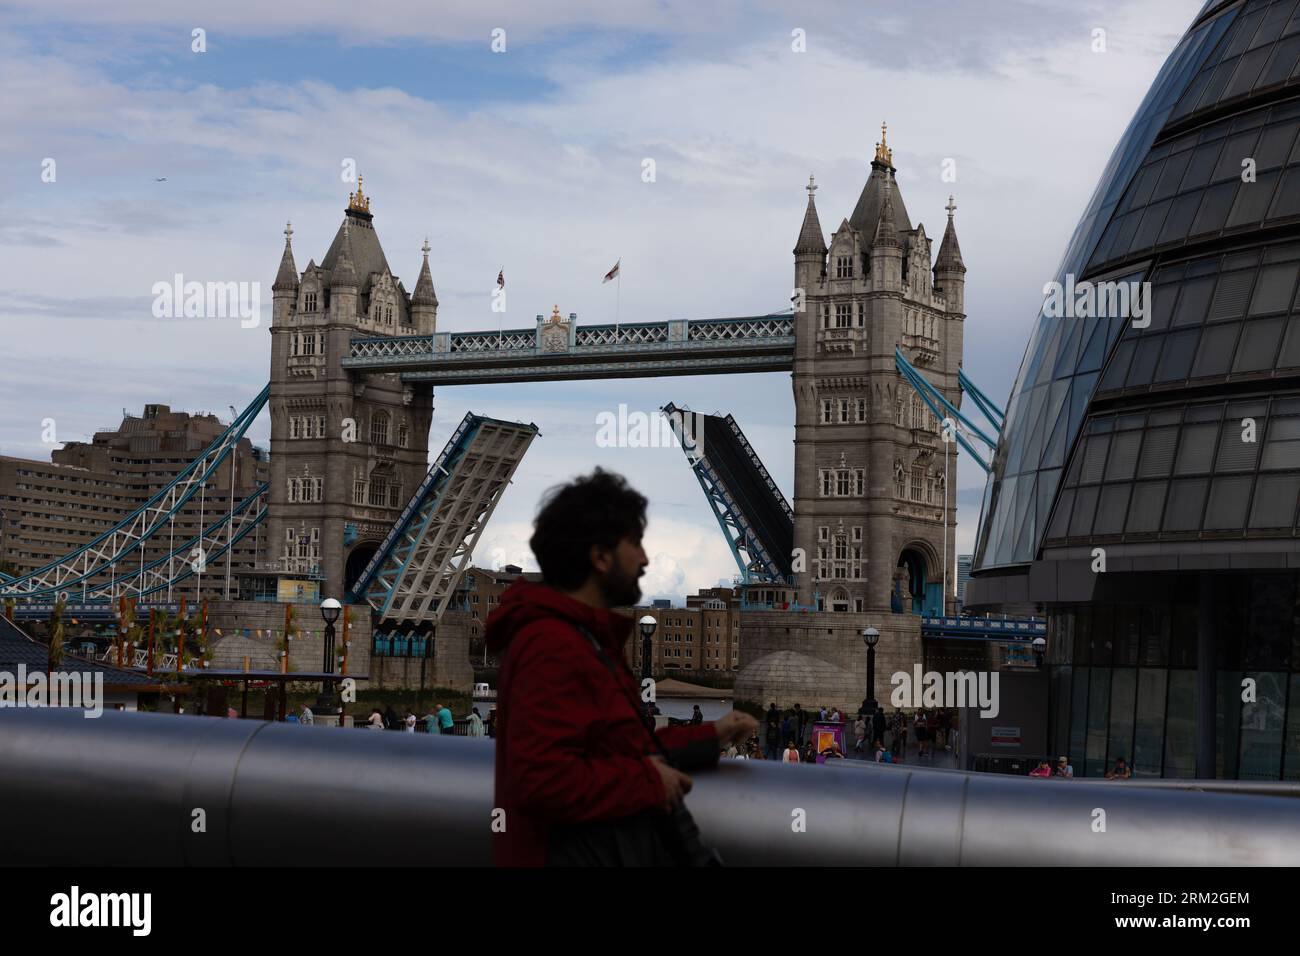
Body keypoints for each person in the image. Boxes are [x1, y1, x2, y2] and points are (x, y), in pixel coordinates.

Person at [485, 468, 757, 866]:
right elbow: (540, 782)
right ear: (599, 556)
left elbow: (625, 750)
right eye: (635, 543)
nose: (646, 559)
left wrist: (711, 735)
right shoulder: (551, 645)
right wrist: (649, 784)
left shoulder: (587, 639)